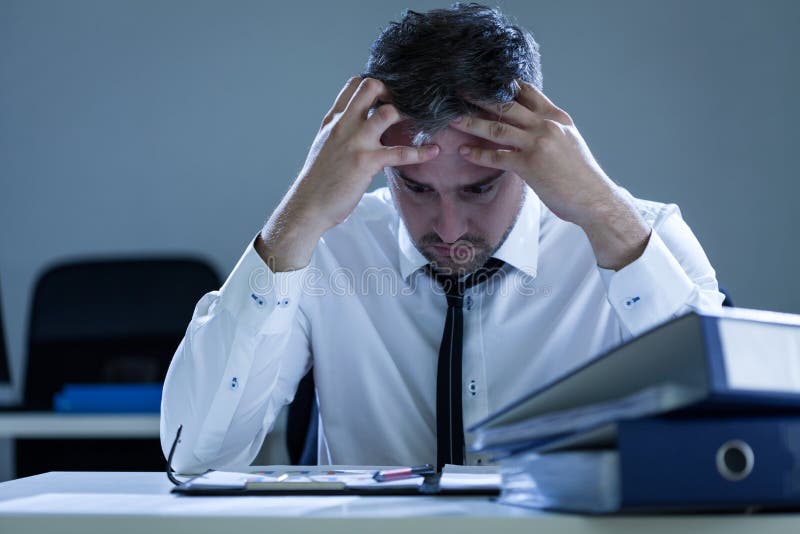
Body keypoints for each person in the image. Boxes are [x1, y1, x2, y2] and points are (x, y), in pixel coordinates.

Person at [161, 4, 724, 473]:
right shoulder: (326, 246)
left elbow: (725, 444)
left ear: (536, 148)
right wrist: (297, 219)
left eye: (480, 189)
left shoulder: (643, 238)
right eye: (416, 187)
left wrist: (610, 219)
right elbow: (194, 456)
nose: (449, 230)